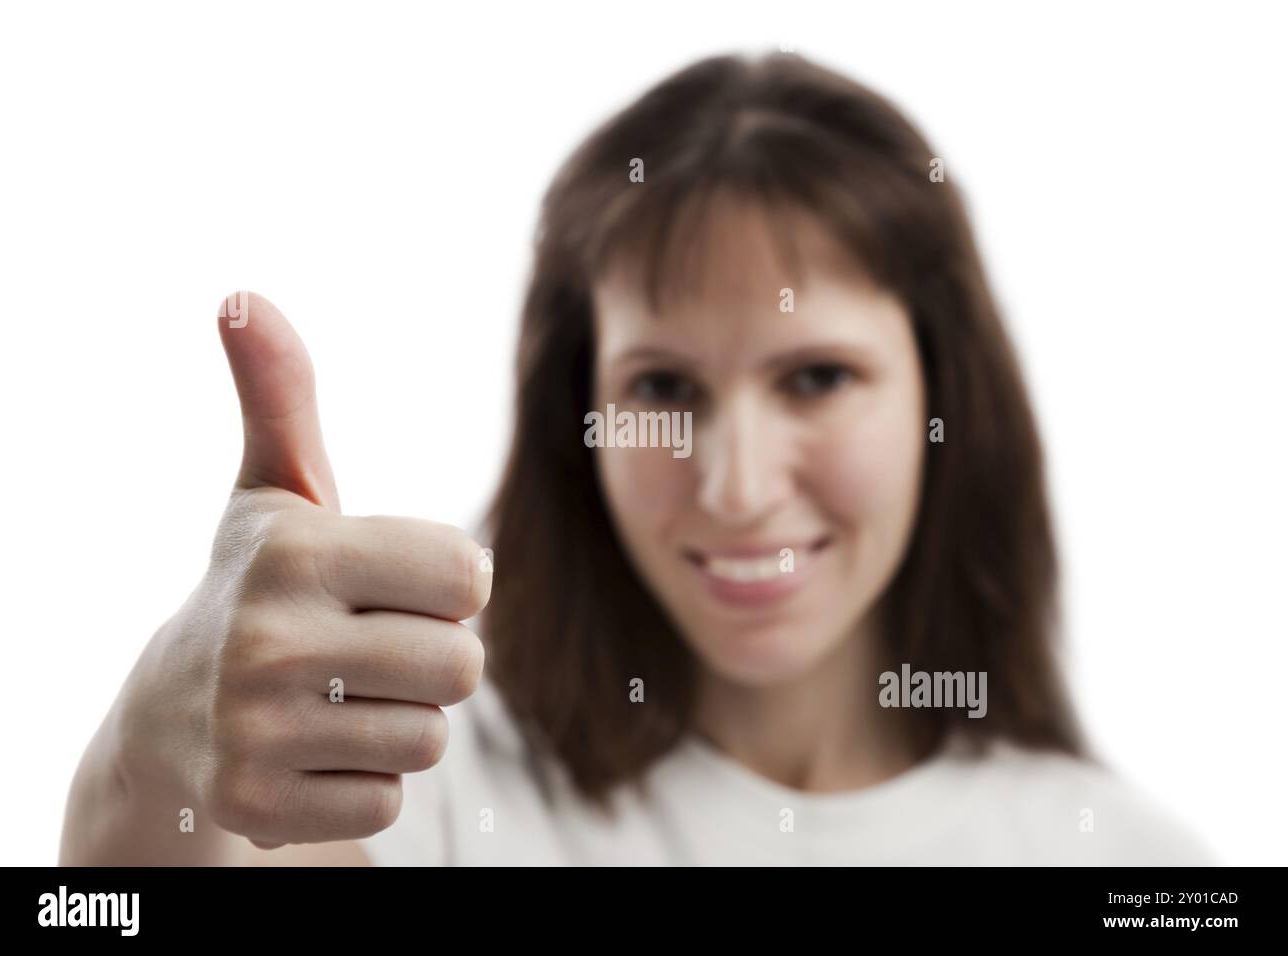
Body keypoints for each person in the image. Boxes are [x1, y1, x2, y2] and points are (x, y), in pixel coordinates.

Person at [60, 52, 1213, 866]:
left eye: (815, 376)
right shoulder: (425, 785)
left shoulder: (1128, 862)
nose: (738, 484)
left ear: (942, 392)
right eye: (662, 387)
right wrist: (154, 753)